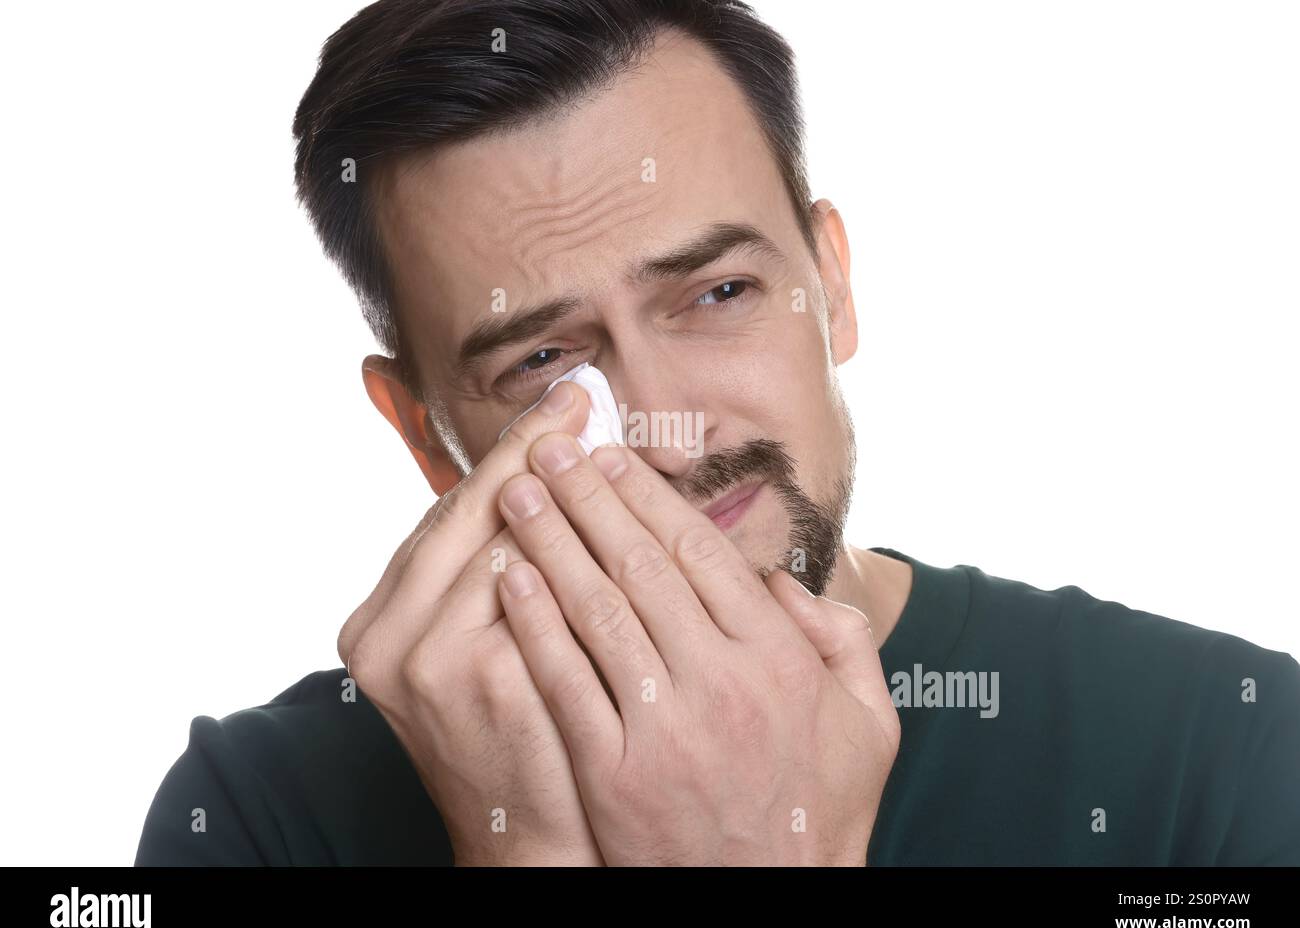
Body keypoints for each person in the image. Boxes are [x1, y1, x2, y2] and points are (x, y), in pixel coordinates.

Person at [135, 0, 1300, 866]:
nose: (671, 438)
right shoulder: (259, 817)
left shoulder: (1223, 754)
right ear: (427, 435)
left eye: (719, 295)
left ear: (830, 285)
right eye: (544, 362)